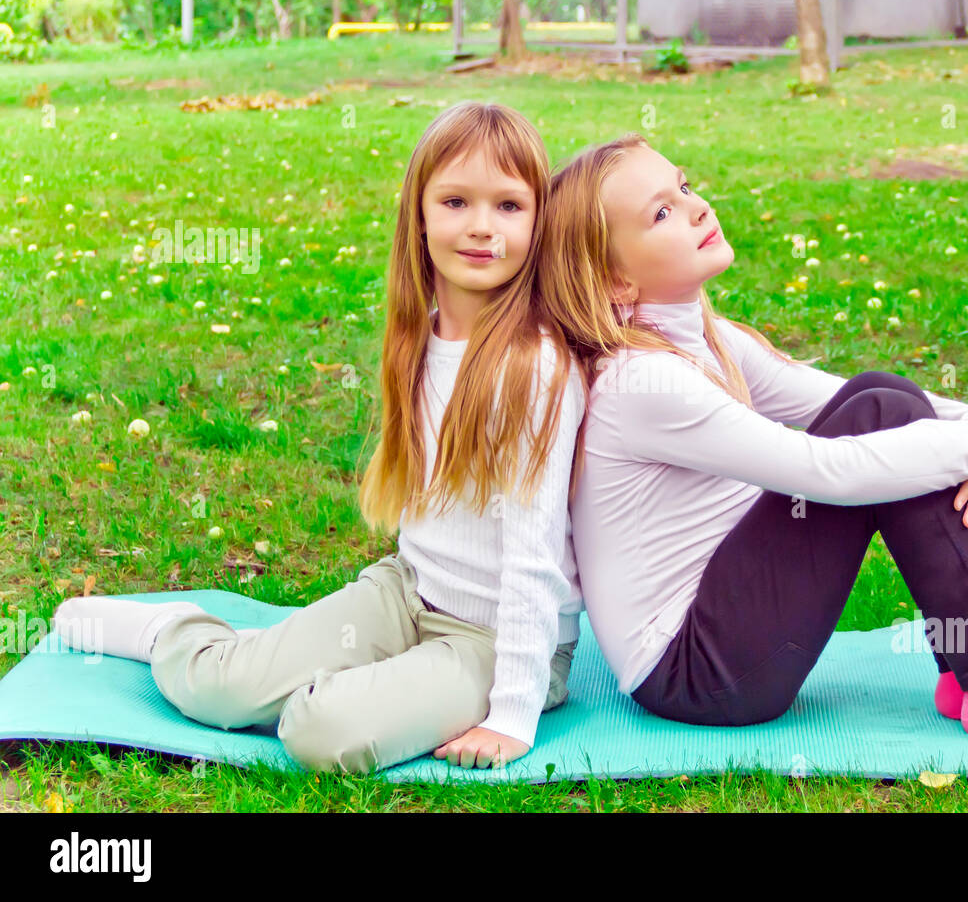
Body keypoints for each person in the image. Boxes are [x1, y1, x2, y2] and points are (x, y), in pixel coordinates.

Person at [536, 132, 968, 755]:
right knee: (881, 412)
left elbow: (824, 395)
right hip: (696, 676)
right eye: (661, 213)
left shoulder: (701, 332)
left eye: (686, 187)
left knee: (880, 395)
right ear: (613, 279)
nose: (696, 208)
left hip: (718, 626)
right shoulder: (643, 381)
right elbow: (824, 471)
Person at [52, 101, 585, 773]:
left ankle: (343, 681)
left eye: (509, 206)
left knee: (320, 731)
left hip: (494, 641)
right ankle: (171, 629)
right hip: (408, 592)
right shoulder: (419, 335)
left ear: (539, 223)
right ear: (418, 218)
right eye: (455, 201)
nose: (482, 227)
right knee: (222, 689)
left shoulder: (535, 366)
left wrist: (512, 712)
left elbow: (536, 557)